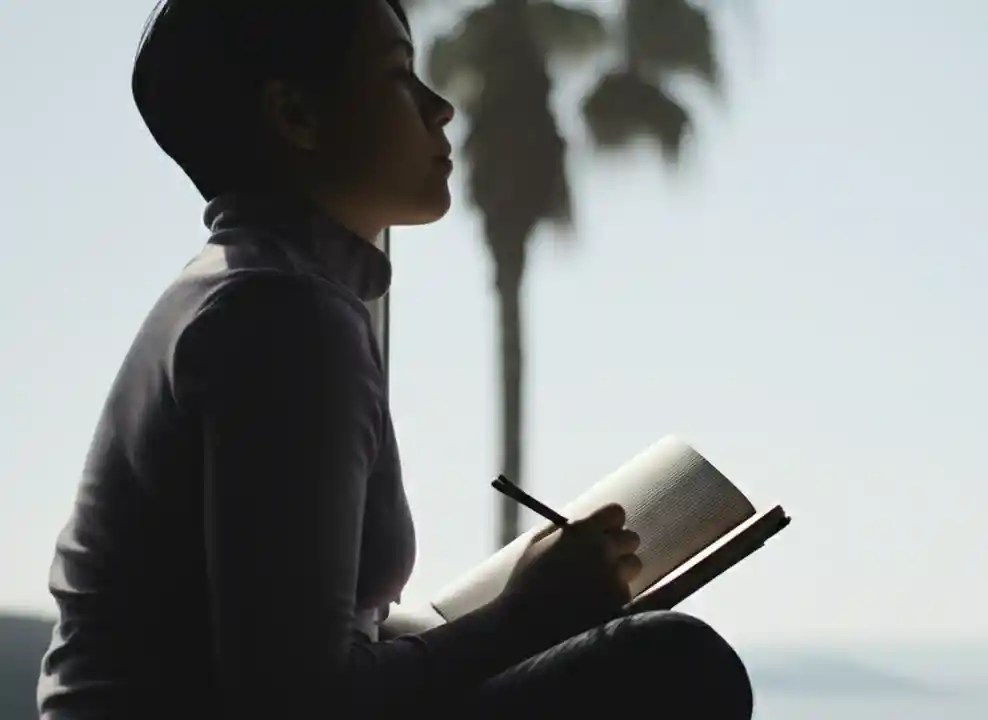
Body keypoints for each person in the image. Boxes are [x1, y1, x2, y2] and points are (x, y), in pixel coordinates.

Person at [34, 1, 754, 718]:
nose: (438, 108)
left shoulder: (251, 292)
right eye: (397, 76)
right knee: (675, 664)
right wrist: (525, 615)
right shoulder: (281, 318)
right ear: (297, 116)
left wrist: (525, 606)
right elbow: (296, 701)